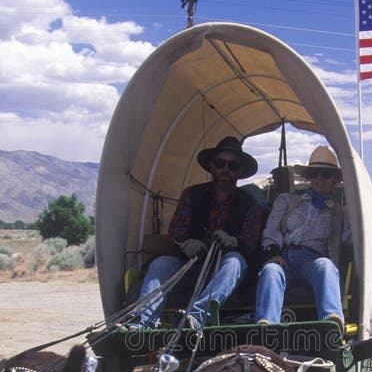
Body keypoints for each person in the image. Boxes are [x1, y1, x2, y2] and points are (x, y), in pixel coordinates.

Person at [129, 136, 261, 329]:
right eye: (220, 163)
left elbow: (251, 242)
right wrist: (187, 243)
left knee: (234, 261)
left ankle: (195, 319)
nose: (226, 169)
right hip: (190, 266)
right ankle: (141, 324)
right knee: (161, 264)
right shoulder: (191, 195)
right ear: (211, 167)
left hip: (224, 273)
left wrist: (233, 241)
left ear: (239, 172)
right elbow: (176, 231)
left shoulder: (250, 203)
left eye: (232, 166)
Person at [254, 146, 351, 332]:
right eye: (315, 173)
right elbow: (271, 231)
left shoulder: (339, 212)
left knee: (326, 266)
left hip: (312, 261)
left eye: (326, 174)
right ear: (309, 177)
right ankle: (267, 327)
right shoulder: (287, 200)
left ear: (335, 180)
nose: (320, 179)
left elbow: (348, 238)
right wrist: (273, 252)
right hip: (285, 258)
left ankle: (330, 322)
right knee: (271, 271)